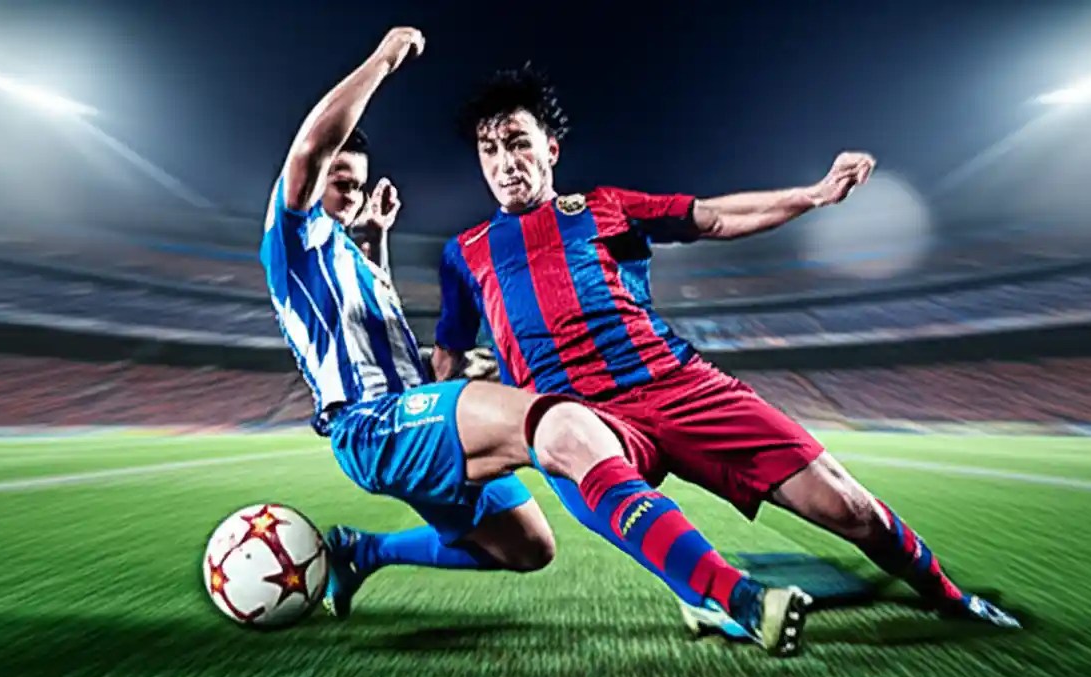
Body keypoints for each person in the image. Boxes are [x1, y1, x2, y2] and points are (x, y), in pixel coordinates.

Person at [261, 28, 812, 657]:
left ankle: (361, 551)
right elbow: (309, 150)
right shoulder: (293, 238)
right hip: (372, 427)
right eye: (338, 182)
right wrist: (383, 61)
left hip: (413, 424)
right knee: (555, 417)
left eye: (355, 186)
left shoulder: (353, 257)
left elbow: (374, 336)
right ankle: (725, 593)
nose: (346, 194)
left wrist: (376, 236)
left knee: (529, 548)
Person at [433, 64, 1020, 632]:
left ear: (550, 149)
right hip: (576, 420)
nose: (506, 162)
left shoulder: (603, 207)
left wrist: (813, 195)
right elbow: (448, 357)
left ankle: (946, 595)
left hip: (676, 384)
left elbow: (711, 217)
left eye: (517, 142)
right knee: (585, 462)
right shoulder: (465, 252)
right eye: (490, 150)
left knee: (847, 507)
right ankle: (726, 595)